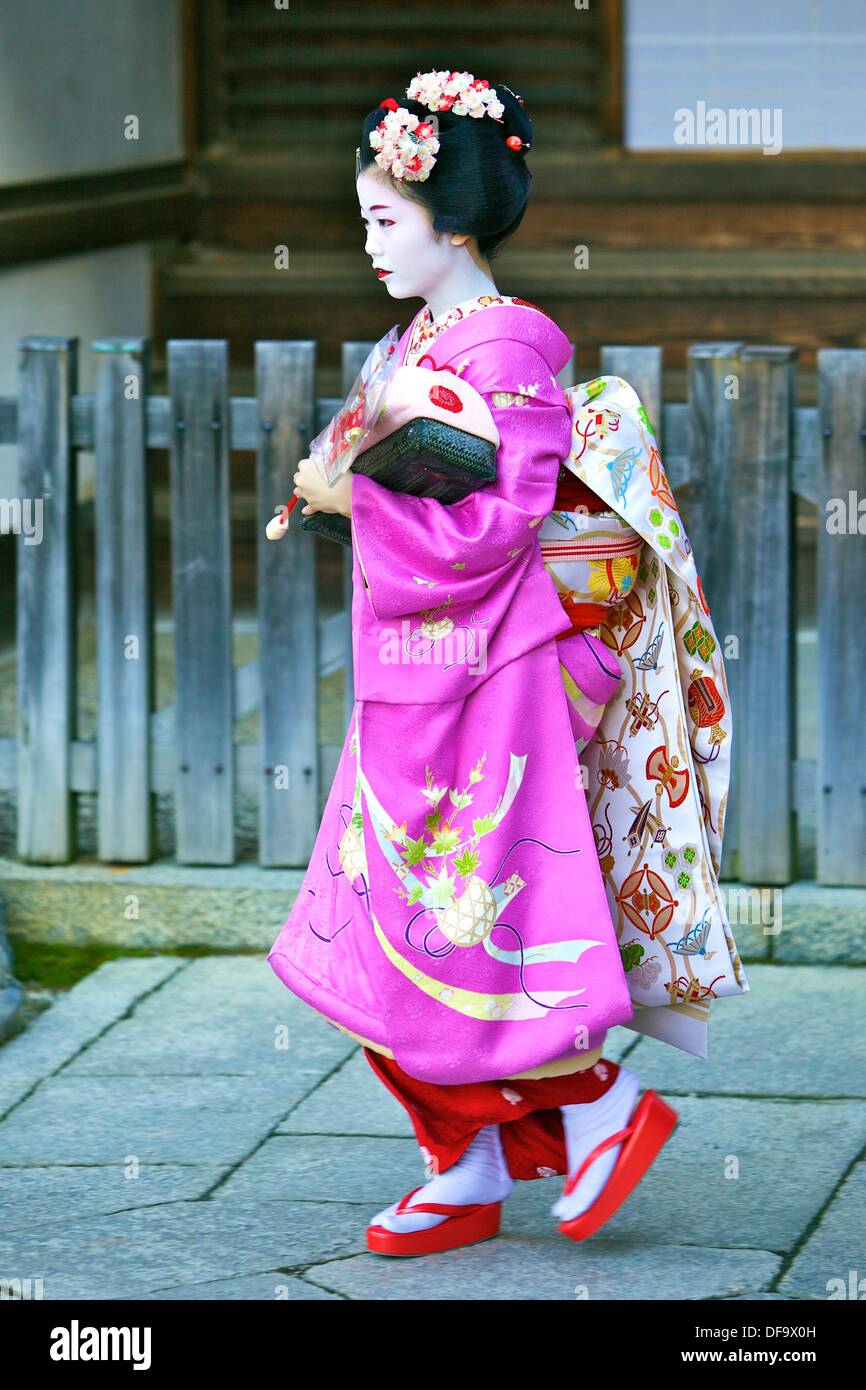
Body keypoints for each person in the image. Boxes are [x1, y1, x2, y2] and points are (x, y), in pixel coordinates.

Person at [267, 70, 680, 1258]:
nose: (367, 243)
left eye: (383, 222)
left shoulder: (507, 352)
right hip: (414, 678)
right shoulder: (422, 339)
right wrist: (343, 483)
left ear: (453, 223)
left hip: (482, 684)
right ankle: (468, 1158)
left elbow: (496, 528)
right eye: (361, 221)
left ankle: (596, 1102)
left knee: (465, 927)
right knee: (380, 922)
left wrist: (354, 496)